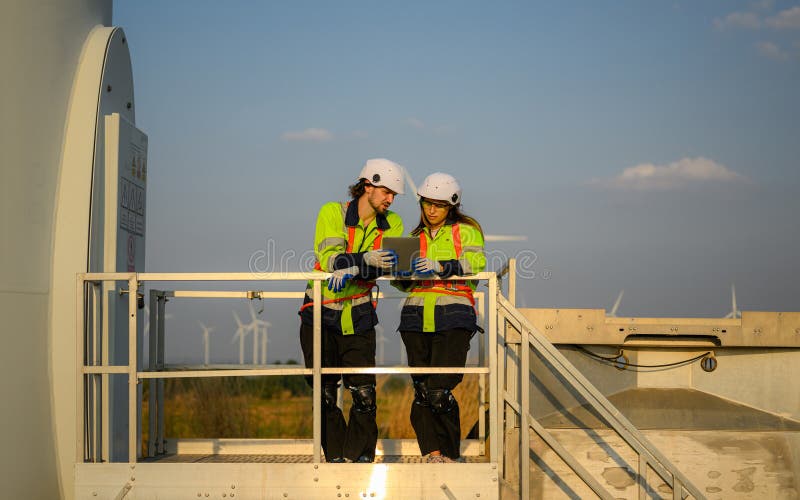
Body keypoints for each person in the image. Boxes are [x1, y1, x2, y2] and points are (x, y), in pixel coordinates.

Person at [298, 158, 405, 463]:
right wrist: (363, 261)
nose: (391, 200)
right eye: (387, 192)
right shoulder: (332, 212)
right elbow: (330, 256)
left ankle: (358, 459)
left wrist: (357, 264)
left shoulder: (392, 223)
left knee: (364, 394)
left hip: (358, 314)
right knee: (325, 392)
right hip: (319, 312)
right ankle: (334, 459)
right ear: (368, 185)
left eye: (394, 195)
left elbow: (387, 264)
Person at [395, 172, 486, 463]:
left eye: (439, 205)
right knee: (422, 391)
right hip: (414, 317)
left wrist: (441, 265)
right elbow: (401, 284)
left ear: (452, 206)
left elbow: (476, 263)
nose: (431, 210)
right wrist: (401, 272)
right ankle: (433, 453)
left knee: (439, 390)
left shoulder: (467, 231)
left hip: (453, 315)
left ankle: (449, 454)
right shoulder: (412, 238)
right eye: (426, 204)